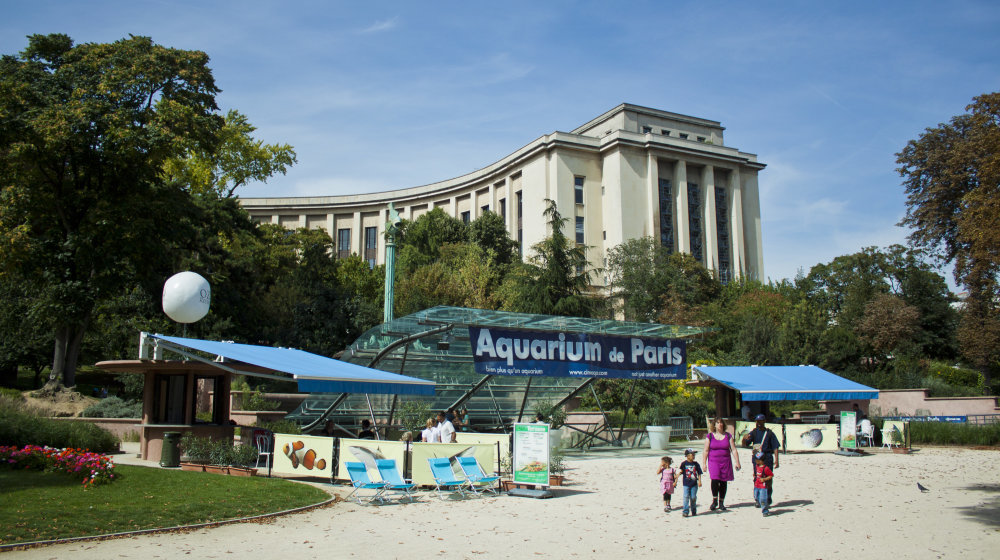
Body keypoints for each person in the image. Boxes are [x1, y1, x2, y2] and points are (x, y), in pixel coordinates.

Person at [703, 417, 741, 512]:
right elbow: (706, 450)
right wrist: (704, 463)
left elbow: (734, 449)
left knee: (723, 481)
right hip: (713, 461)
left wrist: (737, 462)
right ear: (714, 425)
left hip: (725, 461)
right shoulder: (710, 436)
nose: (720, 424)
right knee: (715, 479)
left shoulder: (728, 436)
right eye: (718, 423)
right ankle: (714, 500)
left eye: (721, 423)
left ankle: (721, 502)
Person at [742, 414, 780, 505]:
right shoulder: (754, 432)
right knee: (757, 478)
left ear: (764, 421)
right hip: (757, 459)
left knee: (768, 478)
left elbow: (775, 447)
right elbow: (745, 444)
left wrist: (777, 460)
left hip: (767, 458)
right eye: (757, 421)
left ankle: (768, 498)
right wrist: (744, 438)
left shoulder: (769, 433)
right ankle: (758, 499)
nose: (759, 423)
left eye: (761, 421)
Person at [679, 448, 703, 517]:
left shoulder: (696, 464)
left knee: (693, 497)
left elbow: (699, 473)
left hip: (694, 484)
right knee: (686, 496)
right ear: (687, 456)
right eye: (692, 454)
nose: (693, 456)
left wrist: (700, 481)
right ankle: (685, 511)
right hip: (686, 484)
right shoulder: (684, 464)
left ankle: (693, 509)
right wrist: (676, 477)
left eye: (694, 454)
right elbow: (681, 471)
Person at [753, 452, 774, 516]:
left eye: (757, 460)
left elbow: (771, 475)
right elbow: (756, 473)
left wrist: (764, 479)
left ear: (761, 460)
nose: (755, 461)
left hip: (763, 487)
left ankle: (765, 510)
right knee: (756, 496)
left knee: (763, 498)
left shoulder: (766, 468)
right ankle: (761, 504)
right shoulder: (756, 466)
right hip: (756, 485)